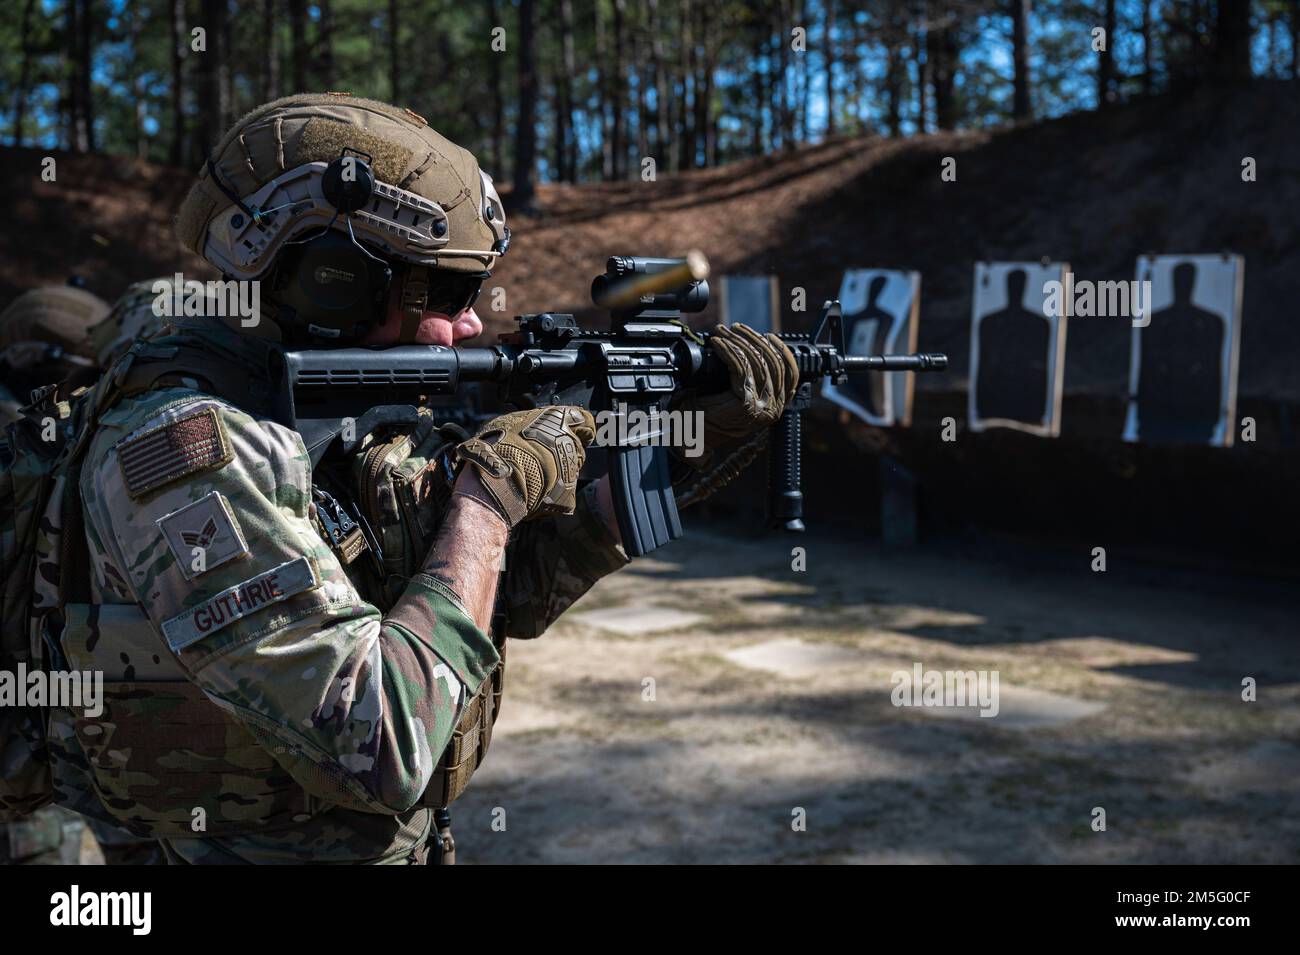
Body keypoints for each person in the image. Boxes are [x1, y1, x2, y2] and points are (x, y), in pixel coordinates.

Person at [42, 93, 796, 864]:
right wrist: (490, 498)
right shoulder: (191, 449)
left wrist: (688, 447)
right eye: (449, 292)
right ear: (336, 282)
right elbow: (380, 738)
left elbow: (504, 596)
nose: (472, 323)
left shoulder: (339, 415)